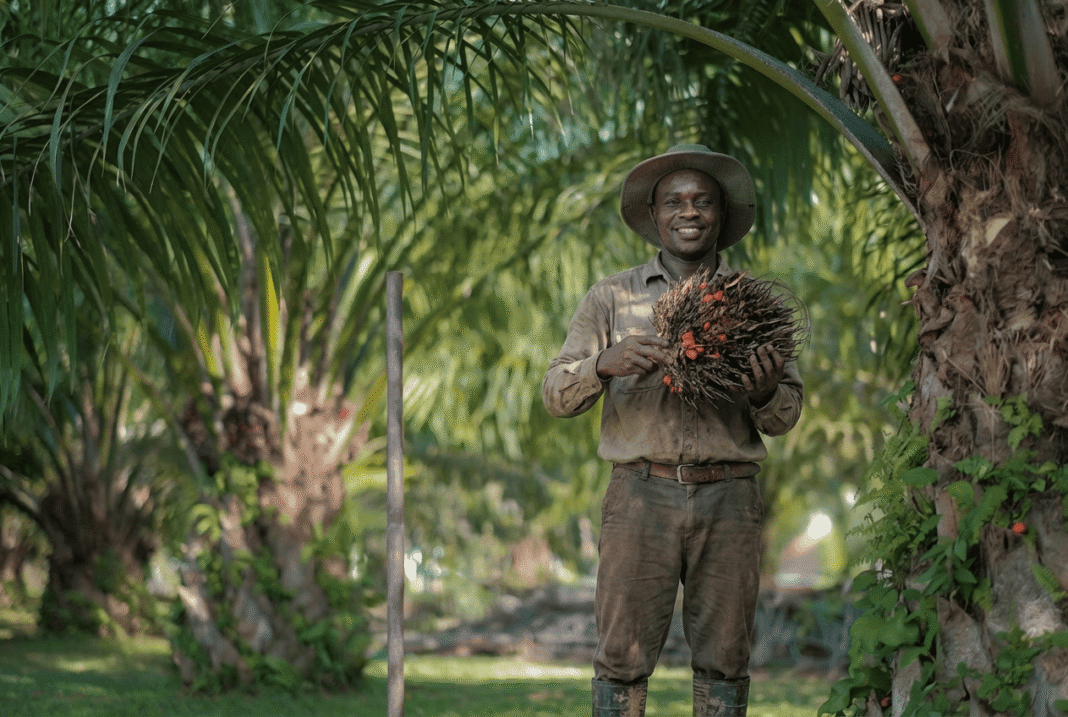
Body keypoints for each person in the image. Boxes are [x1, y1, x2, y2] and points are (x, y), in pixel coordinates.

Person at [541, 144, 803, 717]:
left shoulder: (752, 303)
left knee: (726, 659)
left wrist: (763, 392)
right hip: (639, 495)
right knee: (621, 657)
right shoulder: (611, 297)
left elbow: (786, 413)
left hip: (730, 496)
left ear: (720, 216)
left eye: (703, 201)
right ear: (655, 216)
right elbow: (555, 394)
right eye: (675, 202)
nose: (690, 212)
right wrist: (601, 364)